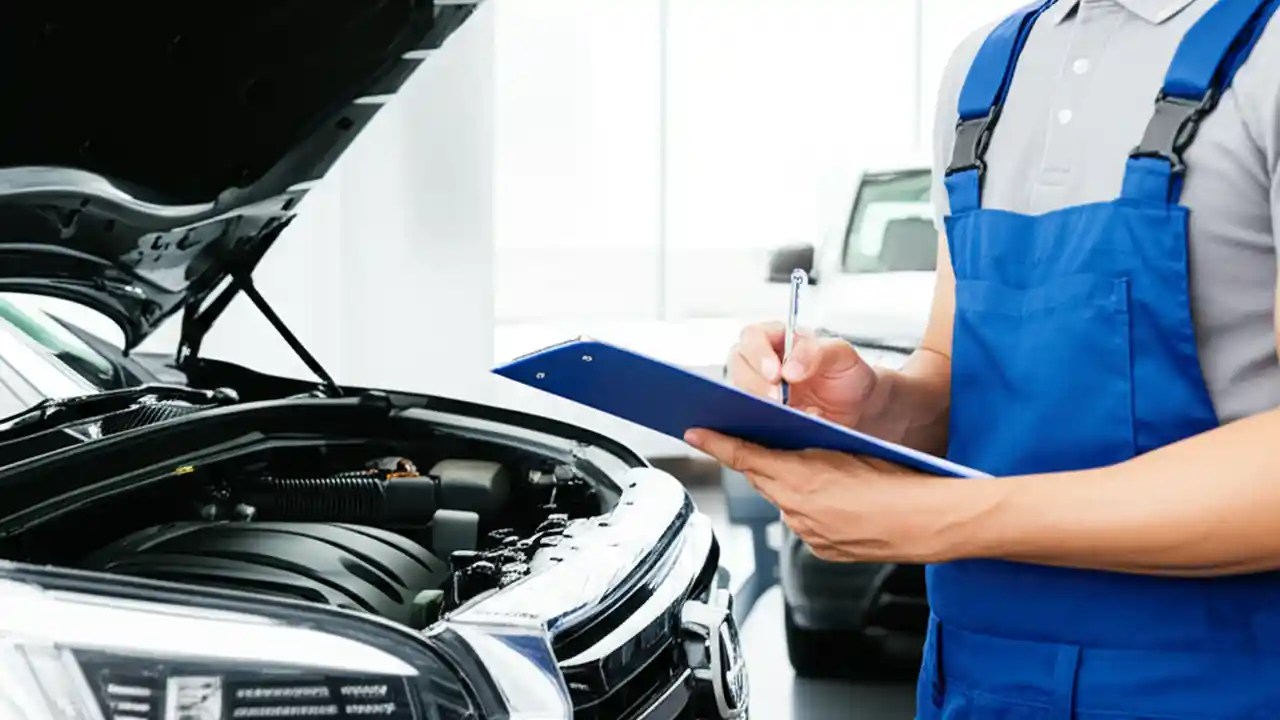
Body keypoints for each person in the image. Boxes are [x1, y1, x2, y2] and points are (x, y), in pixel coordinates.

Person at [688, 0, 1280, 716]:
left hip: (1222, 685)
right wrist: (874, 405)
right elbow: (951, 366)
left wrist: (942, 519)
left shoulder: (1267, 53)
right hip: (977, 683)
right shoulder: (983, 72)